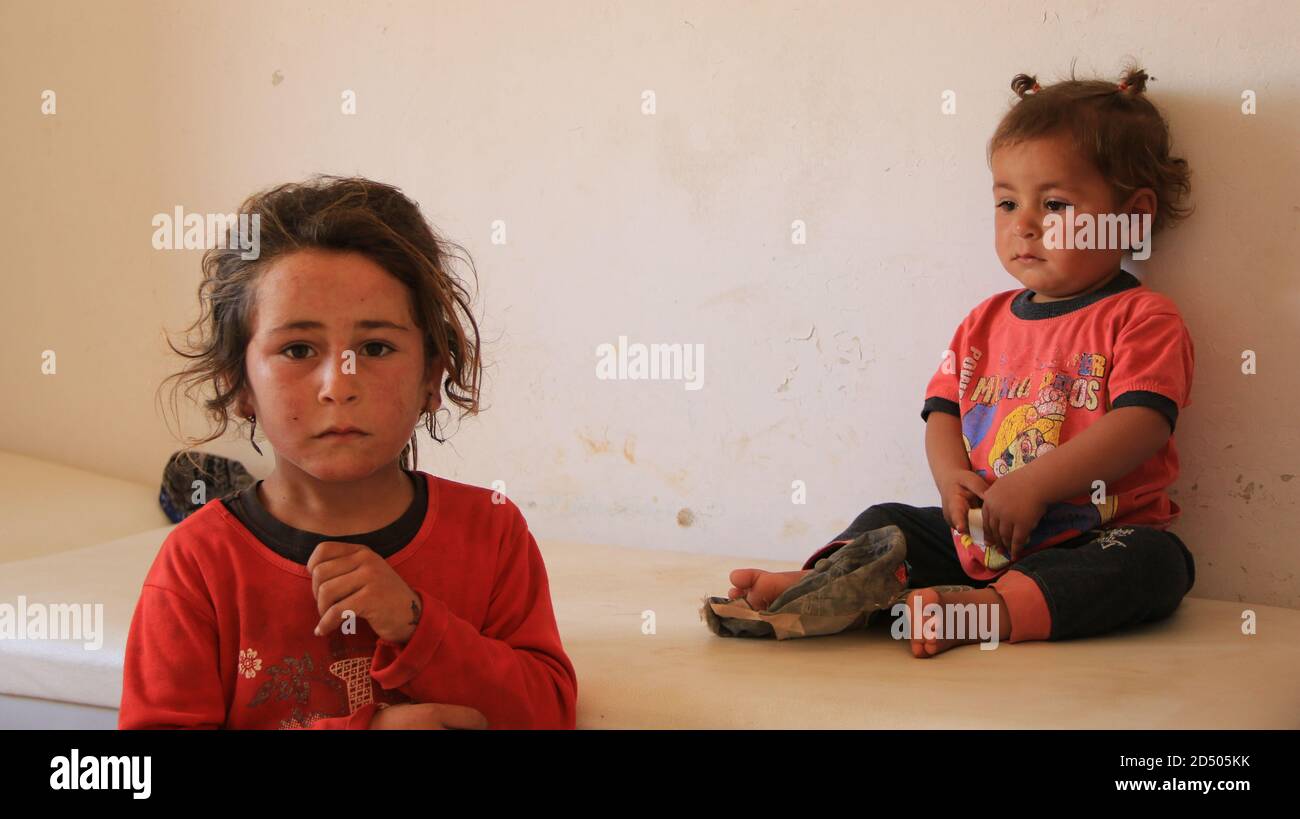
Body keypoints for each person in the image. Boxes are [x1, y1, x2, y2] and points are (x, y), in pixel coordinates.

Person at [728, 66, 1197, 658]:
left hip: (1092, 536)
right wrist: (952, 481)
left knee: (1160, 563)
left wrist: (1033, 485)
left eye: (1053, 203)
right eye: (1006, 202)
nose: (1022, 225)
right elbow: (943, 413)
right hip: (978, 534)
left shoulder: (1142, 318)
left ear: (1132, 215)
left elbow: (1143, 425)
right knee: (890, 518)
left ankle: (985, 614)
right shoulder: (985, 322)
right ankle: (826, 587)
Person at [121, 176, 577, 728]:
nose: (340, 383)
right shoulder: (198, 565)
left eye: (377, 347)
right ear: (239, 384)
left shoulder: (492, 532)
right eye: (297, 349)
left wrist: (417, 625)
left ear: (432, 375)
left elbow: (548, 712)